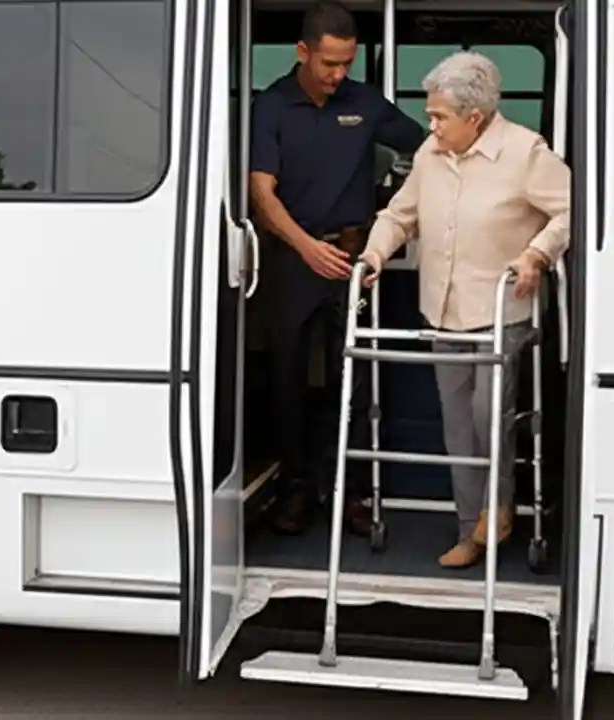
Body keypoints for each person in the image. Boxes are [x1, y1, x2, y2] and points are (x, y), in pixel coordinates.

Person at [360, 50, 571, 568]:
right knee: (458, 426)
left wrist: (537, 254)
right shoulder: (431, 155)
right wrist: (374, 253)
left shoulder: (525, 153)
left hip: (501, 313)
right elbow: (399, 215)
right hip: (443, 312)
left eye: (439, 117)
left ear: (474, 117)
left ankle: (497, 509)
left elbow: (571, 209)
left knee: (487, 416)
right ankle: (468, 529)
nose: (430, 127)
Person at [249, 0, 426, 536]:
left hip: (352, 259)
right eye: (329, 63)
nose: (338, 74)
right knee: (287, 378)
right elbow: (261, 193)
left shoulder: (365, 102)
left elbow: (432, 145)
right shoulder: (271, 106)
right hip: (293, 258)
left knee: (354, 380)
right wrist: (306, 247)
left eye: (347, 63)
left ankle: (349, 492)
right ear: (302, 52)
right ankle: (297, 488)